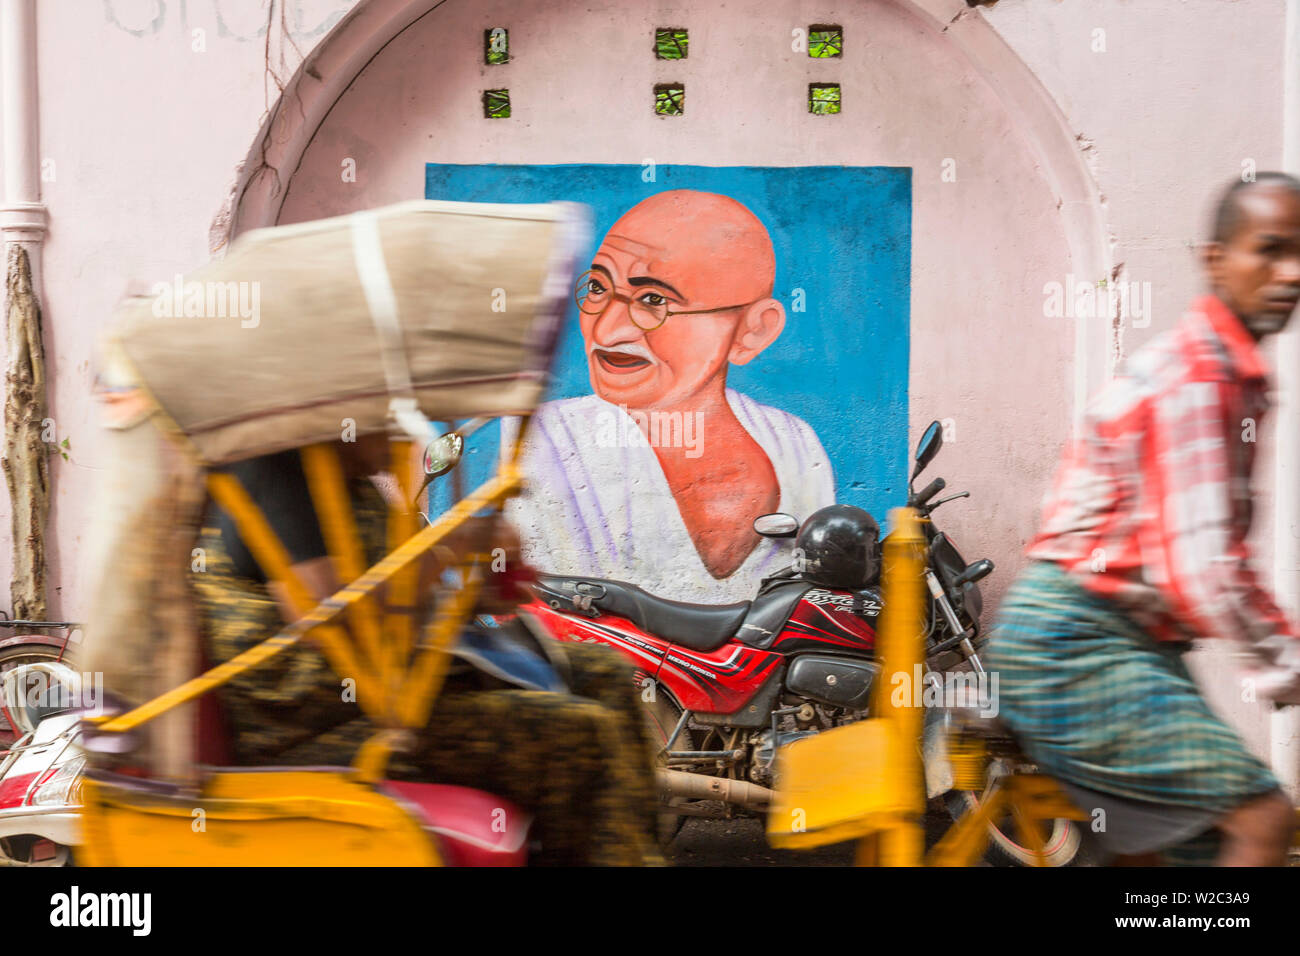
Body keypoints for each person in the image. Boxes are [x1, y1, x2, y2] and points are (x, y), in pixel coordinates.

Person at [988, 173, 1300, 865]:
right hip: (1076, 644)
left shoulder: (1226, 372)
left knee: (1178, 851)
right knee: (1262, 819)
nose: (1291, 273)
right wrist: (1287, 666)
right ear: (1215, 259)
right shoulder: (1198, 378)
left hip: (1115, 640)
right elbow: (1205, 571)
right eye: (1270, 250)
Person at [192, 438, 663, 865]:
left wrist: (477, 595)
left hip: (391, 686)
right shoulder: (277, 468)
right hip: (314, 724)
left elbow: (400, 603)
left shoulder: (349, 485)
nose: (398, 430)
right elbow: (338, 617)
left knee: (606, 673)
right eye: (386, 410)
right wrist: (452, 547)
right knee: (580, 734)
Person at [506, 190, 835, 604]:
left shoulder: (794, 445)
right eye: (597, 287)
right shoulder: (547, 436)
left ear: (753, 331)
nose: (606, 331)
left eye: (654, 300)